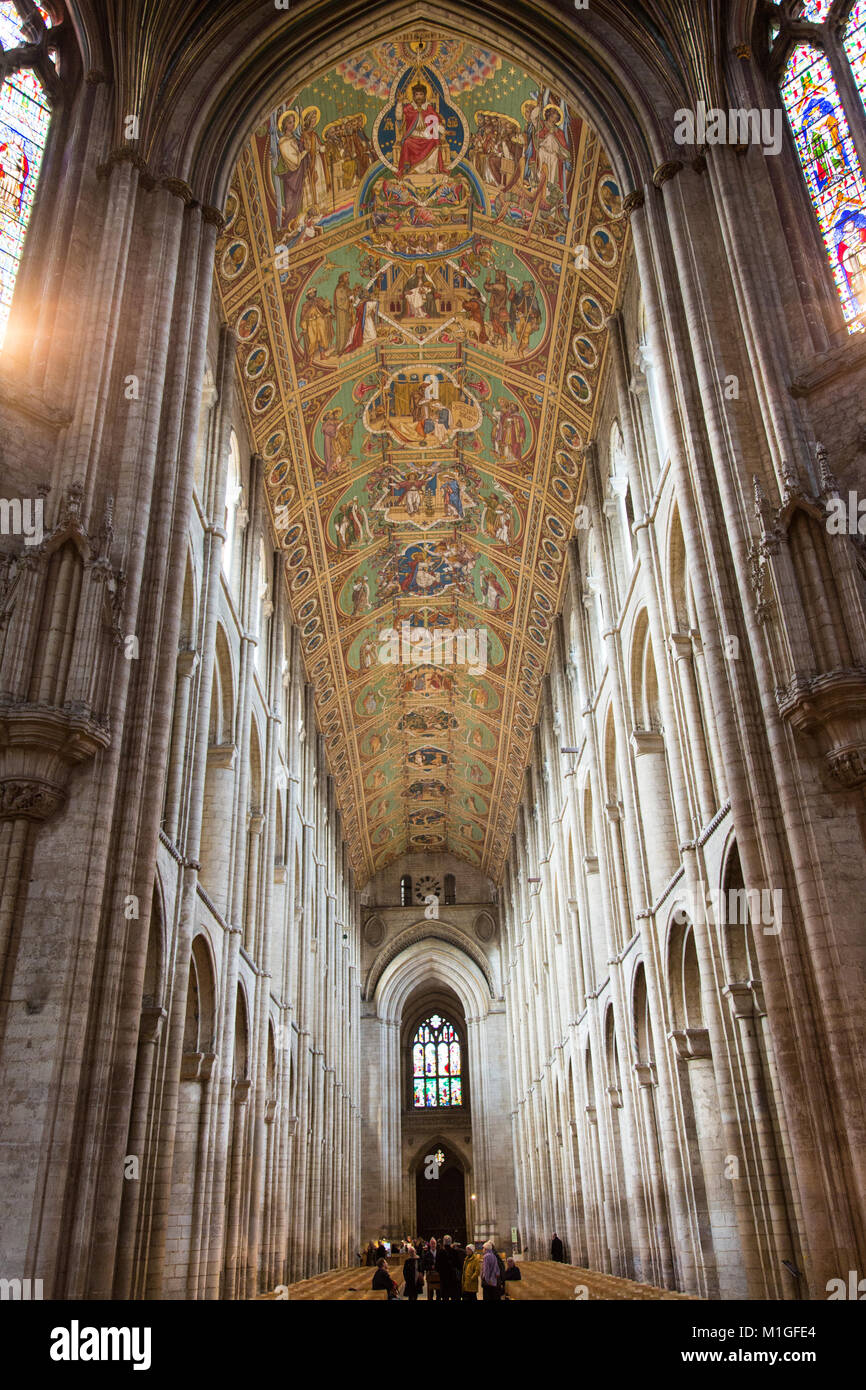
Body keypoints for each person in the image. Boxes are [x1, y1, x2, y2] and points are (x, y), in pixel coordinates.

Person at [437, 1234, 460, 1302]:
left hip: (443, 1278)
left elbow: (437, 1266)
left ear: (443, 1242)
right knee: (453, 1296)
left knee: (445, 1296)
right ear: (451, 1242)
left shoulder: (440, 1252)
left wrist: (441, 1272)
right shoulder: (454, 1252)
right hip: (452, 1277)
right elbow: (459, 1265)